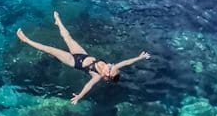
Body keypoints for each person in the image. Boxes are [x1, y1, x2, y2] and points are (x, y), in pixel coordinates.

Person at [16, 11, 151, 104]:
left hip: (74, 61)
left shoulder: (97, 76)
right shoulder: (111, 68)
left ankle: (26, 40)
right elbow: (126, 63)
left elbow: (89, 86)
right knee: (67, 37)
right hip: (83, 54)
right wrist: (139, 58)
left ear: (106, 76)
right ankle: (58, 22)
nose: (110, 66)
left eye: (110, 70)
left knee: (51, 50)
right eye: (113, 67)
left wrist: (80, 96)